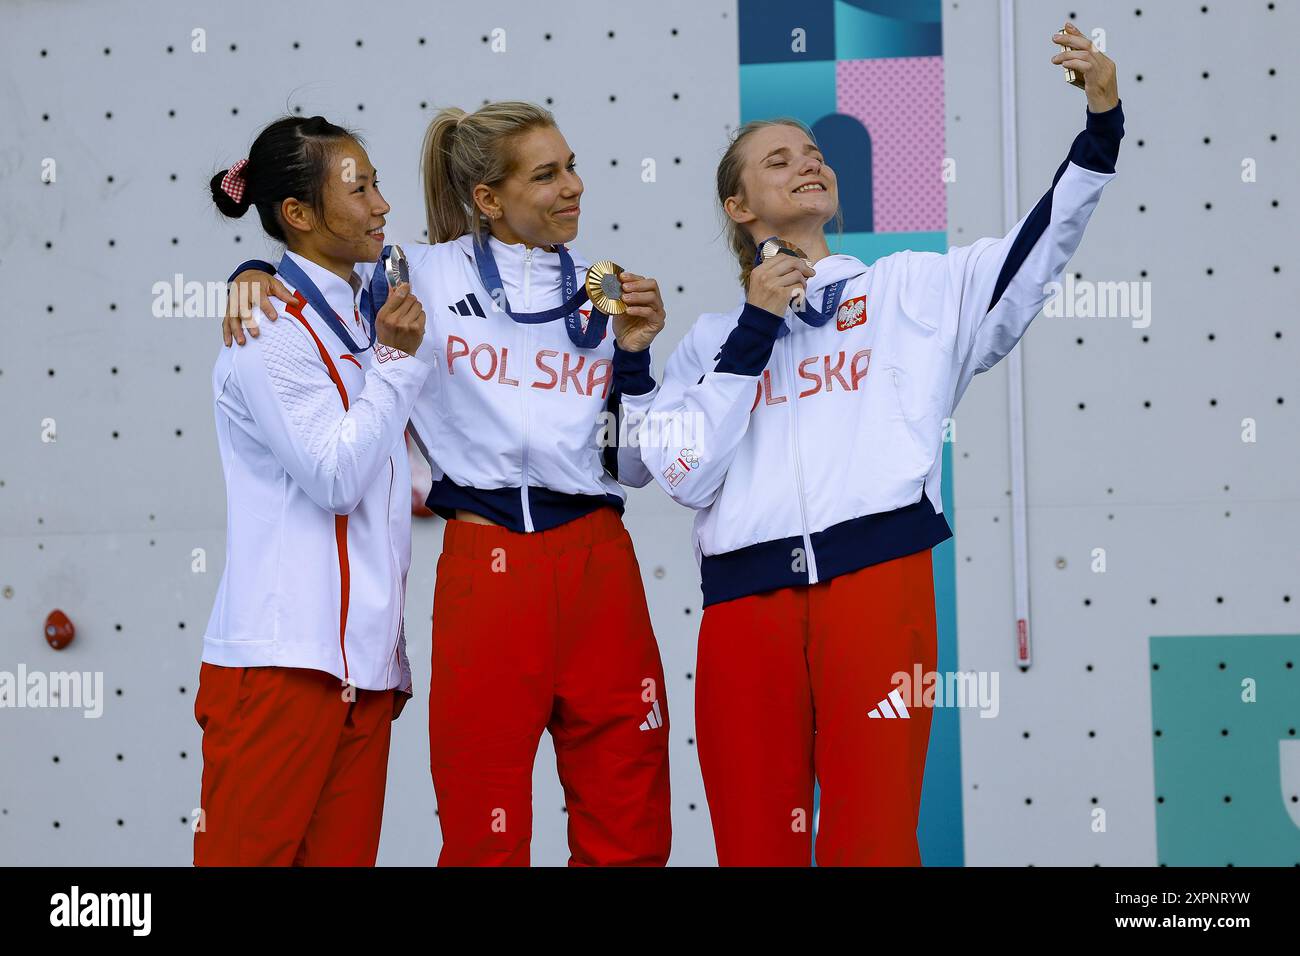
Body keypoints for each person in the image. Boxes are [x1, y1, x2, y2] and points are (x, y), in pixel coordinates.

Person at [638, 22, 1123, 865]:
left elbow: (1036, 250)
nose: (809, 163)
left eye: (815, 152)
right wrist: (755, 328)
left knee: (875, 840)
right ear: (738, 207)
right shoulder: (708, 340)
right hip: (745, 611)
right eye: (779, 159)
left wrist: (1101, 125)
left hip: (879, 587)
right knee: (754, 844)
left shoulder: (909, 290)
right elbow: (682, 472)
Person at [222, 102, 673, 866]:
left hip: (600, 559)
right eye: (549, 174)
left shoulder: (605, 285)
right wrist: (252, 271)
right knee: (483, 828)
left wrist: (634, 359)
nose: (575, 187)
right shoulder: (415, 273)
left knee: (629, 821)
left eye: (572, 166)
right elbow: (313, 257)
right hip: (488, 567)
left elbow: (628, 467)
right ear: (488, 199)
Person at [197, 115, 430, 866]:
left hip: (362, 670)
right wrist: (395, 367)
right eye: (358, 189)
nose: (381, 205)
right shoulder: (267, 324)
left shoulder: (368, 312)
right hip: (281, 666)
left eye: (377, 183)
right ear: (296, 215)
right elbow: (333, 477)